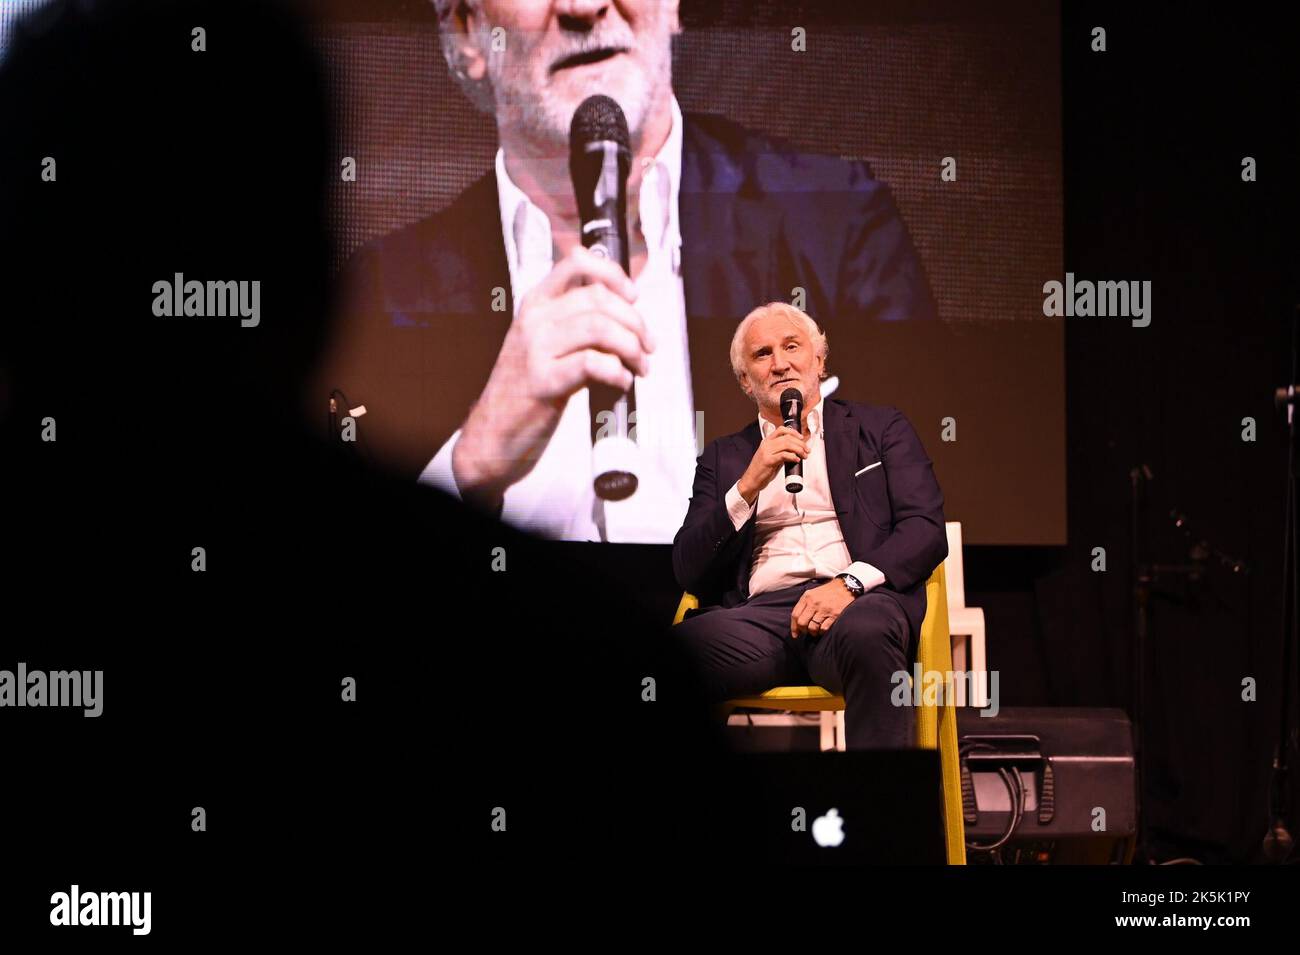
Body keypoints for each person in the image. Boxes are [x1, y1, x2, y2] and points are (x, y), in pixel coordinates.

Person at [317, 0, 937, 543]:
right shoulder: (378, 297)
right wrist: (468, 464)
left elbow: (920, 513)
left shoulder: (837, 224)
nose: (585, 5)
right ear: (466, 29)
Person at [670, 302, 947, 749]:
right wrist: (747, 486)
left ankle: (879, 813)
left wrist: (848, 585)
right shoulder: (725, 457)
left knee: (868, 635)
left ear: (819, 360)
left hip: (857, 603)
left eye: (792, 346)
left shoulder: (880, 428)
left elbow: (924, 529)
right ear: (746, 381)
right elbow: (688, 567)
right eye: (762, 354)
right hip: (759, 620)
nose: (780, 363)